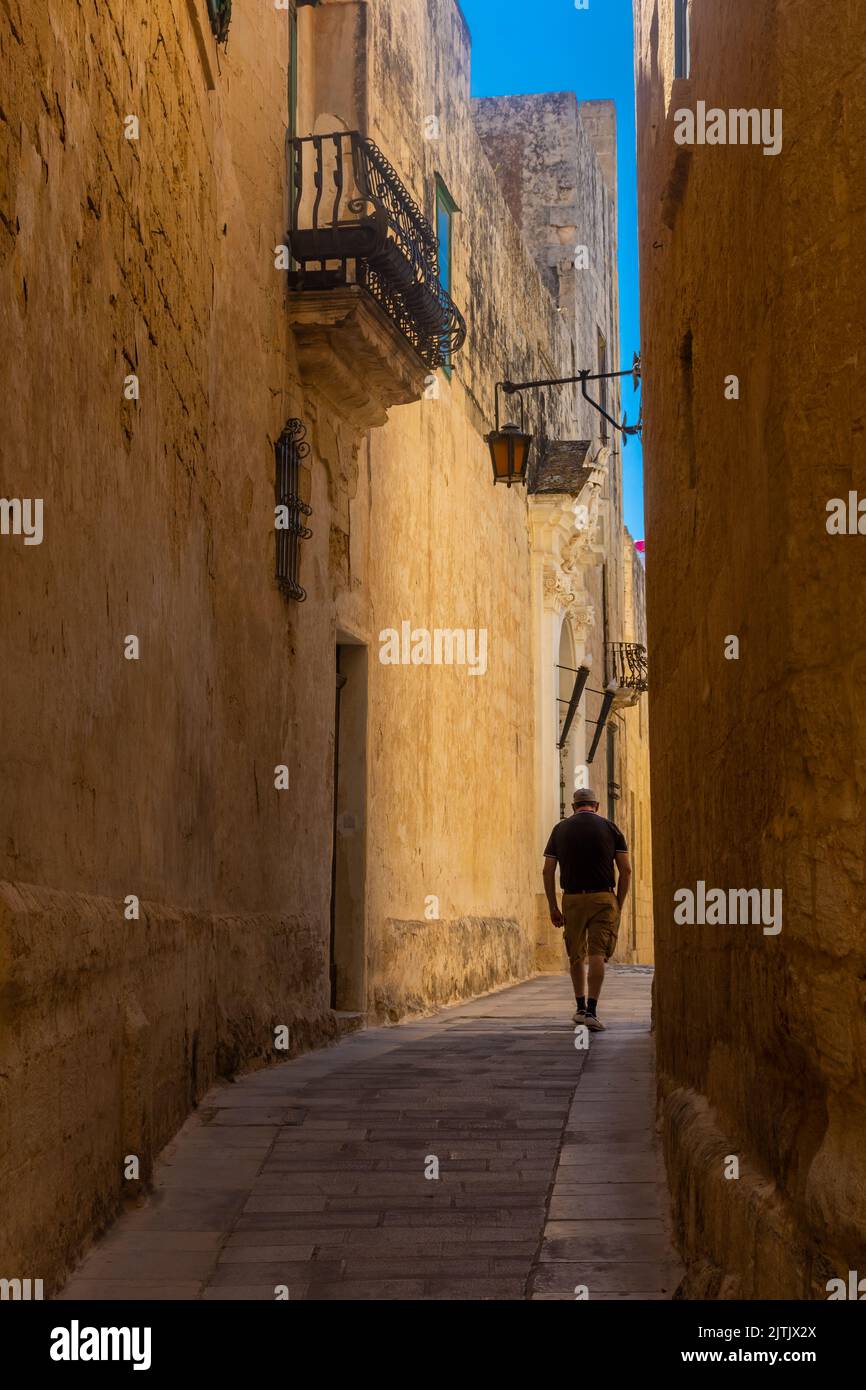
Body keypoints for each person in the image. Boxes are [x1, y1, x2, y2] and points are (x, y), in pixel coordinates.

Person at [542, 787, 632, 1032]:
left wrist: (552, 905)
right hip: (603, 897)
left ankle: (580, 1007)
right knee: (597, 954)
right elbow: (626, 870)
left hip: (572, 899)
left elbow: (548, 870)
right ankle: (592, 1010)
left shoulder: (560, 830)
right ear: (597, 806)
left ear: (573, 807)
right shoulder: (611, 828)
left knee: (576, 955)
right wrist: (618, 903)